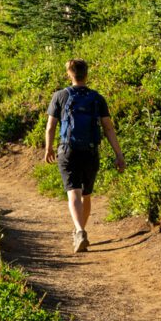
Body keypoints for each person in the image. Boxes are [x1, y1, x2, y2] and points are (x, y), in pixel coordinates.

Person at [42, 58, 125, 253]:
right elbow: (108, 128)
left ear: (69, 74)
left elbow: (50, 126)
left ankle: (79, 231)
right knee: (86, 194)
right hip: (90, 150)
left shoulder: (60, 96)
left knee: (74, 193)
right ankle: (81, 230)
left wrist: (48, 148)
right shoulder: (97, 98)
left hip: (67, 150)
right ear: (86, 74)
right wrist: (118, 154)